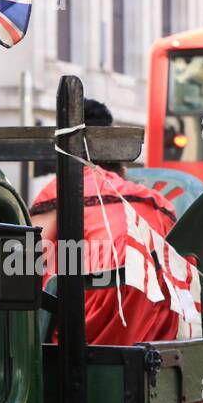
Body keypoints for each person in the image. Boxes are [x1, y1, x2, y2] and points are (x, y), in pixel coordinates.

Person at [29, 98, 180, 345]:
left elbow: (30, 255)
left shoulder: (64, 186)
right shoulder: (154, 199)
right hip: (161, 323)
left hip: (91, 317)